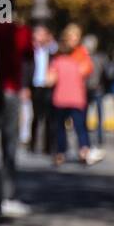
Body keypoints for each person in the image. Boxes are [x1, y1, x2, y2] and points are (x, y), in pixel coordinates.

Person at [0, 0, 32, 217]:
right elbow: (28, 61)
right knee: (9, 145)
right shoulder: (21, 31)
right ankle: (7, 196)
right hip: (11, 91)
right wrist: (25, 86)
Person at [48, 23, 103, 166]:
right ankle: (62, 152)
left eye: (77, 36)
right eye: (72, 36)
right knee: (62, 126)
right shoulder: (61, 55)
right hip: (66, 96)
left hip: (74, 95)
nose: (74, 39)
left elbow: (86, 70)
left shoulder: (80, 54)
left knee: (79, 126)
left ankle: (83, 150)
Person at [29, 25, 56, 155]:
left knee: (48, 117)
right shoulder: (32, 51)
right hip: (35, 85)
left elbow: (57, 49)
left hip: (48, 85)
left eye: (41, 35)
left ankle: (48, 146)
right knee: (35, 116)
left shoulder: (51, 51)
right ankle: (33, 144)